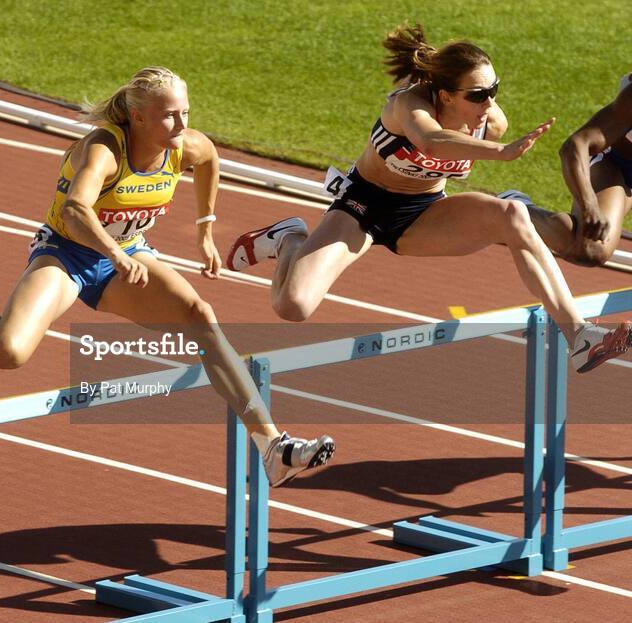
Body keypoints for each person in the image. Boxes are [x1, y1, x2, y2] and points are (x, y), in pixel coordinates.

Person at [0, 67, 334, 487]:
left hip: (128, 254)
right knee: (5, 352)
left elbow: (211, 157)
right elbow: (76, 211)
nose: (181, 124)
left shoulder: (184, 147)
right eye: (169, 116)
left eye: (186, 113)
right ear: (138, 118)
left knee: (201, 316)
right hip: (67, 253)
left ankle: (271, 446)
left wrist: (205, 231)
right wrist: (114, 253)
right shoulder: (105, 149)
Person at [226, 24, 631, 373]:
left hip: (425, 213)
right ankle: (289, 239)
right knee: (293, 306)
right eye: (478, 94)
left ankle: (579, 335)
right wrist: (501, 152)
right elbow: (431, 141)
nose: (489, 104)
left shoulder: (490, 122)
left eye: (494, 90)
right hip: (363, 208)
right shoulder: (407, 105)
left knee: (511, 214)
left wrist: (493, 147)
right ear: (446, 95)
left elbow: (458, 143)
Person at [500, 73, 632, 268]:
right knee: (590, 249)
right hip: (615, 166)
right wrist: (589, 205)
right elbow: (575, 146)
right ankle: (510, 208)